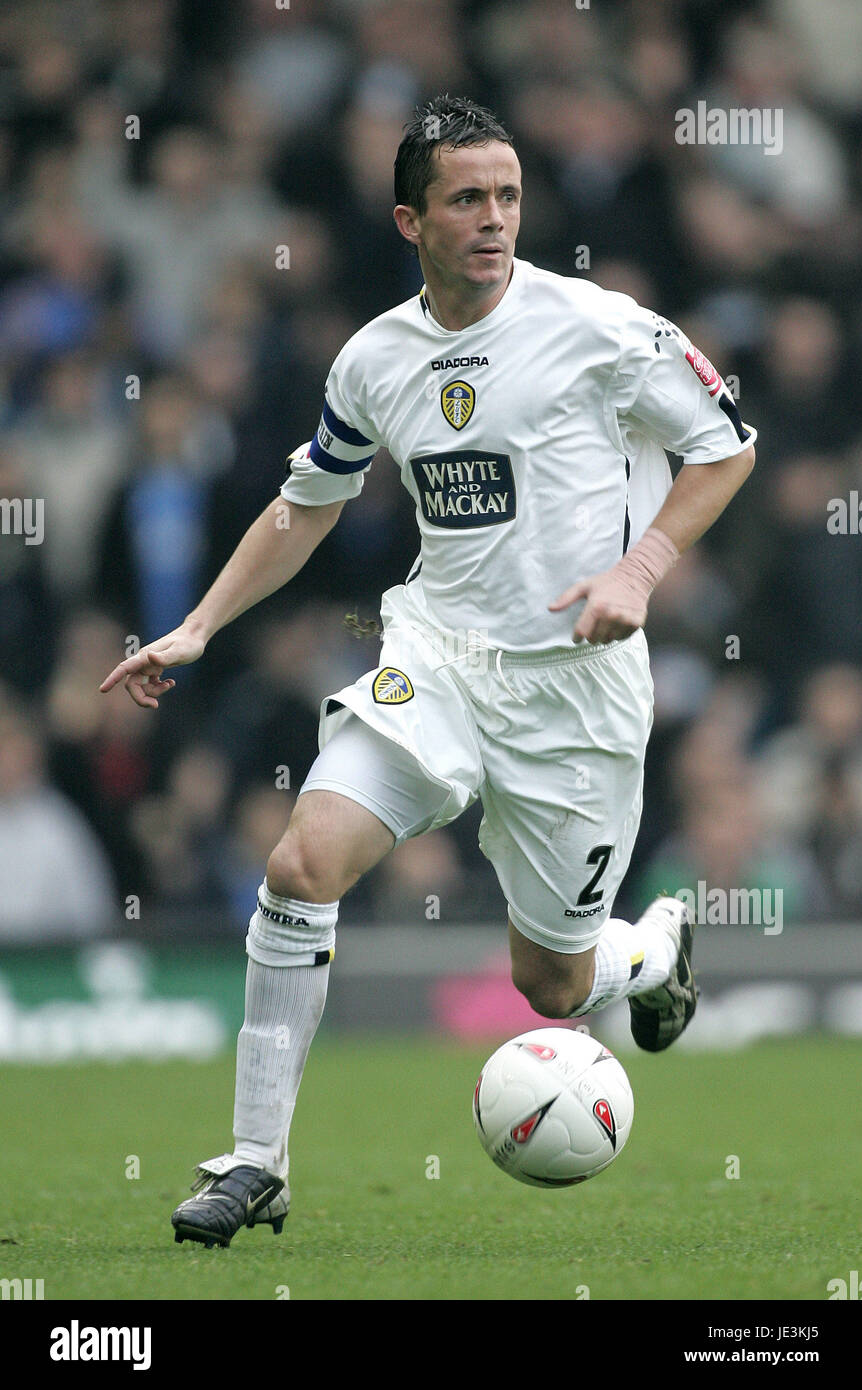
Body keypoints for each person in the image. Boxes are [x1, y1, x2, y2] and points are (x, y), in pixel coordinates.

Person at [100, 95, 757, 1249]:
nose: (494, 218)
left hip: (575, 695)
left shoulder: (598, 326)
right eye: (466, 198)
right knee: (301, 862)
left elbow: (726, 444)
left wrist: (638, 570)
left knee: (552, 986)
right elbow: (306, 506)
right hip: (438, 663)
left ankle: (651, 948)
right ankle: (256, 1160)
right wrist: (198, 625)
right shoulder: (373, 357)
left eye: (506, 195)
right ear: (411, 218)